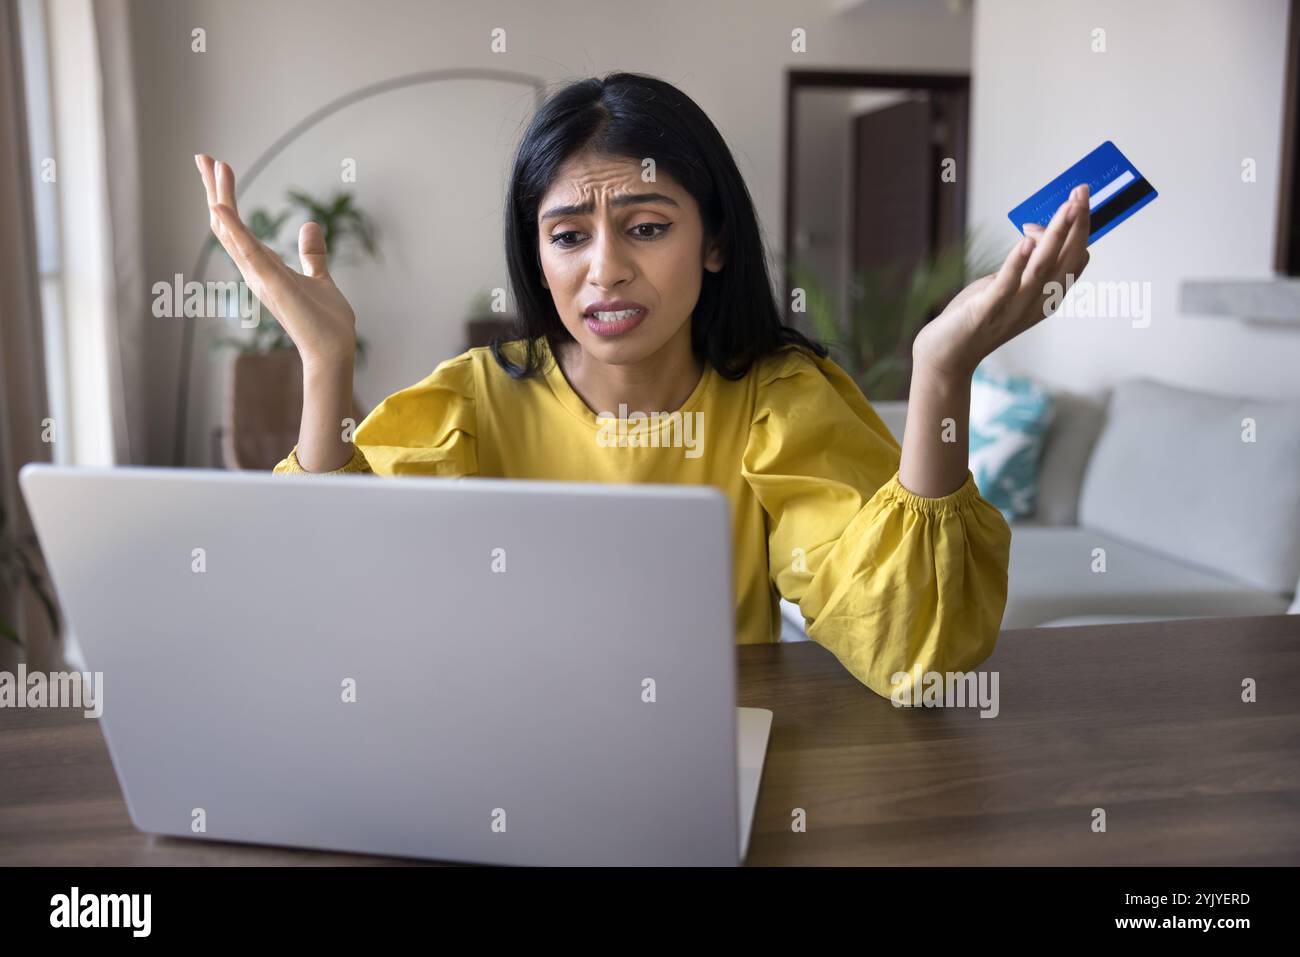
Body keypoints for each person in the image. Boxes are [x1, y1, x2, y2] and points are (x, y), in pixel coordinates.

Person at [192, 72, 1091, 699]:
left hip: (706, 758)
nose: (606, 270)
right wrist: (325, 369)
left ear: (715, 241)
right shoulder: (469, 402)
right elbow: (327, 605)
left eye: (647, 225)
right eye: (569, 235)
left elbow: (918, 656)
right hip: (491, 754)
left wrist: (943, 370)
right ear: (537, 258)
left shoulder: (778, 398)